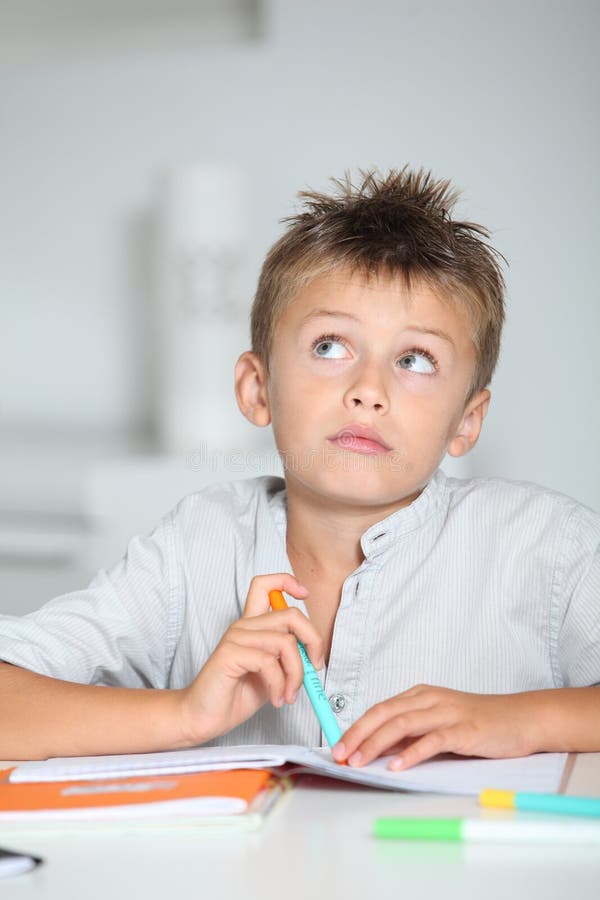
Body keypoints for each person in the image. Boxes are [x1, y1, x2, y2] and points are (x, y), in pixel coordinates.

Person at [1, 167, 598, 766]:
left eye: (415, 359)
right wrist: (185, 713)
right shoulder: (197, 546)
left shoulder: (542, 546)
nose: (369, 390)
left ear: (467, 420)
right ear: (257, 388)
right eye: (329, 346)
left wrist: (519, 718)